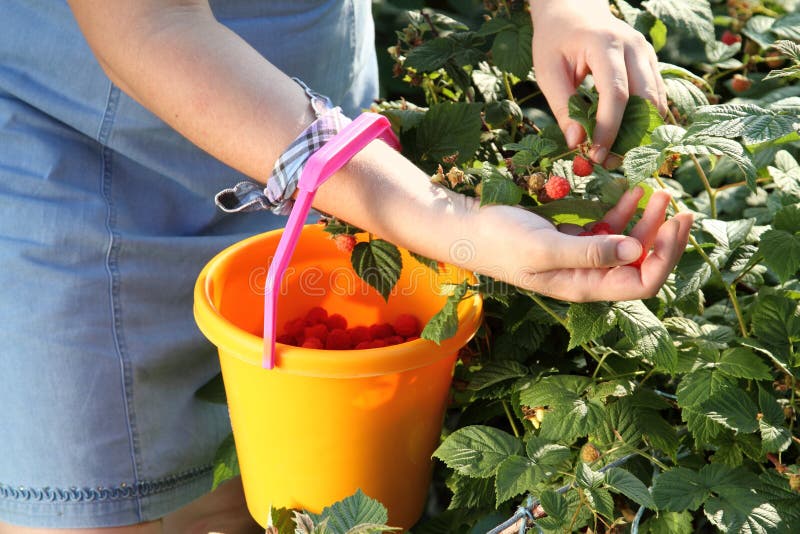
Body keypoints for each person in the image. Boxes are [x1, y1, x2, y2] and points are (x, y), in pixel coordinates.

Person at [0, 0, 692, 532]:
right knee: (106, 506)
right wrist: (450, 223)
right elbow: (147, 27)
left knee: (288, 492)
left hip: (314, 112)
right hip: (80, 139)